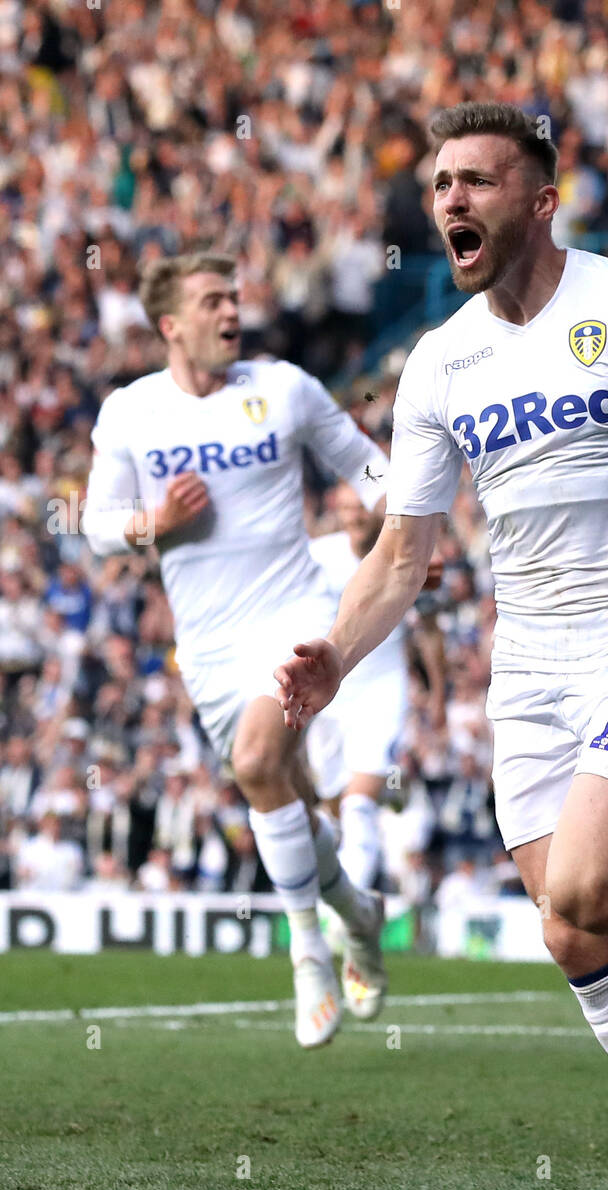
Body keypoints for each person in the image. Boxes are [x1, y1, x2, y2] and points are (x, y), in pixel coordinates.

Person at [276, 102, 608, 1190]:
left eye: (476, 180)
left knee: (591, 896)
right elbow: (402, 553)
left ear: (541, 200)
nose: (451, 201)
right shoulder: (440, 363)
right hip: (531, 662)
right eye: (440, 185)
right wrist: (334, 652)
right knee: (571, 934)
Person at [83, 251, 390, 1048]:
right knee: (275, 783)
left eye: (235, 296)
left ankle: (308, 952)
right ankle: (357, 913)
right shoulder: (131, 412)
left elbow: (368, 465)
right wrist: (152, 525)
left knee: (258, 766)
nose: (231, 313)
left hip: (294, 615)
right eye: (213, 301)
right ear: (170, 326)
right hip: (208, 647)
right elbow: (92, 523)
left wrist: (402, 528)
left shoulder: (283, 388)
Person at [306, 481, 447, 894]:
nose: (354, 516)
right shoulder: (317, 556)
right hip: (326, 698)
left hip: (380, 690)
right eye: (347, 508)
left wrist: (437, 694)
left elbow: (430, 631)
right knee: (332, 804)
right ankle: (338, 892)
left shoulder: (405, 558)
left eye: (362, 509)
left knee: (359, 804)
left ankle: (350, 917)